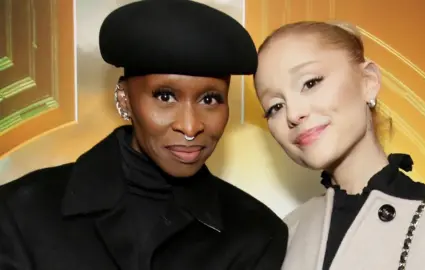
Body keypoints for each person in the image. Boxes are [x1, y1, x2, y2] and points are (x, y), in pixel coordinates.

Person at [0, 1, 288, 269]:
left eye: (210, 100)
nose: (190, 127)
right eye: (165, 96)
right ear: (124, 99)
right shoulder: (21, 213)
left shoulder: (256, 234)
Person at [253, 20, 425, 269]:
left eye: (310, 83)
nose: (293, 114)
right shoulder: (286, 235)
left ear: (368, 81)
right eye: (275, 106)